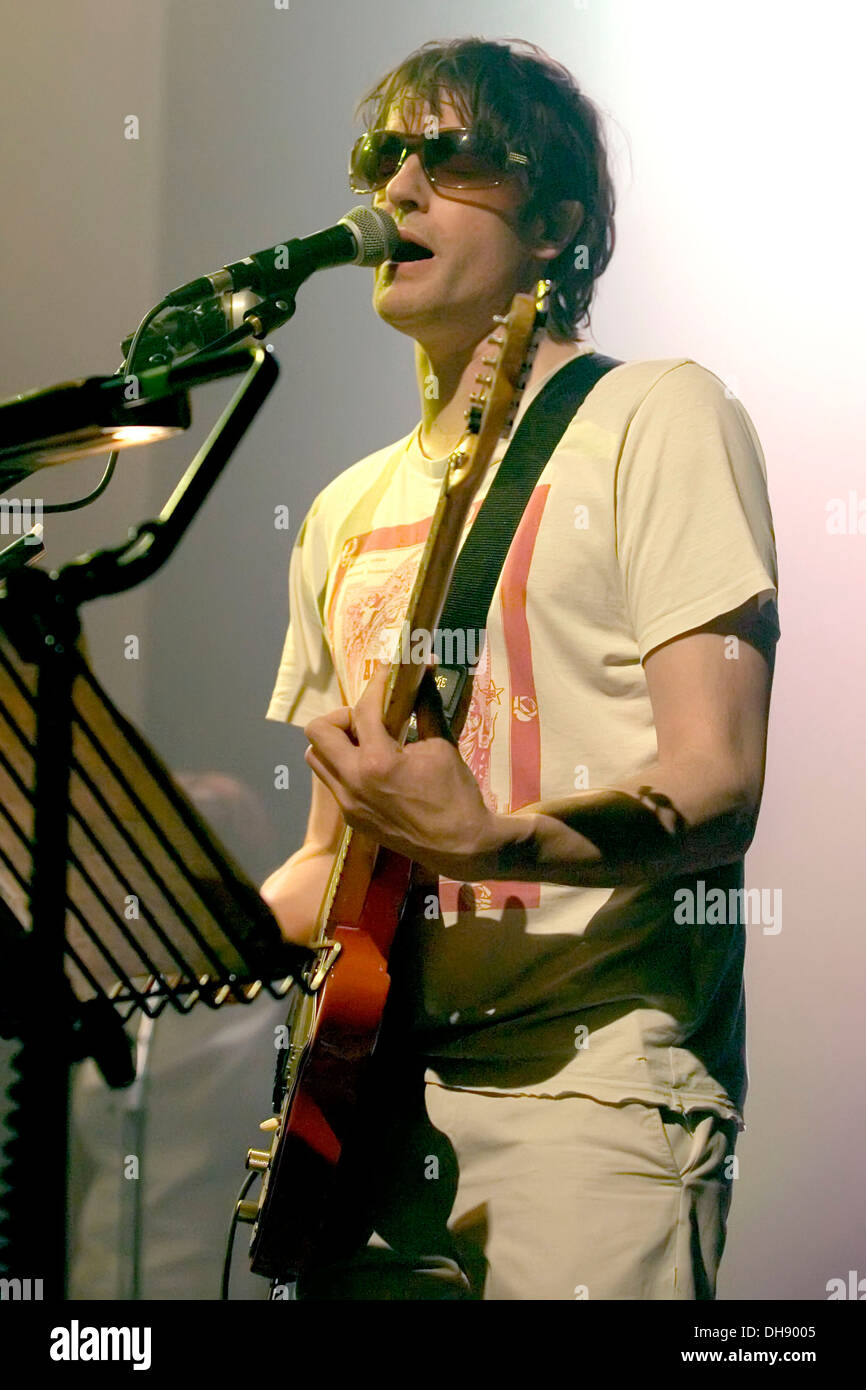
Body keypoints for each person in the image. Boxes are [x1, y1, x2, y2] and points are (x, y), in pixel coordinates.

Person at [261, 36, 780, 1301]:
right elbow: (334, 858)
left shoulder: (657, 416)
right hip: (365, 1112)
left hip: (590, 1094)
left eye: (452, 156)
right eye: (385, 156)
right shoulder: (342, 509)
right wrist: (139, 949)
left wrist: (491, 839)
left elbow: (716, 786)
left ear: (555, 223)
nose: (400, 188)